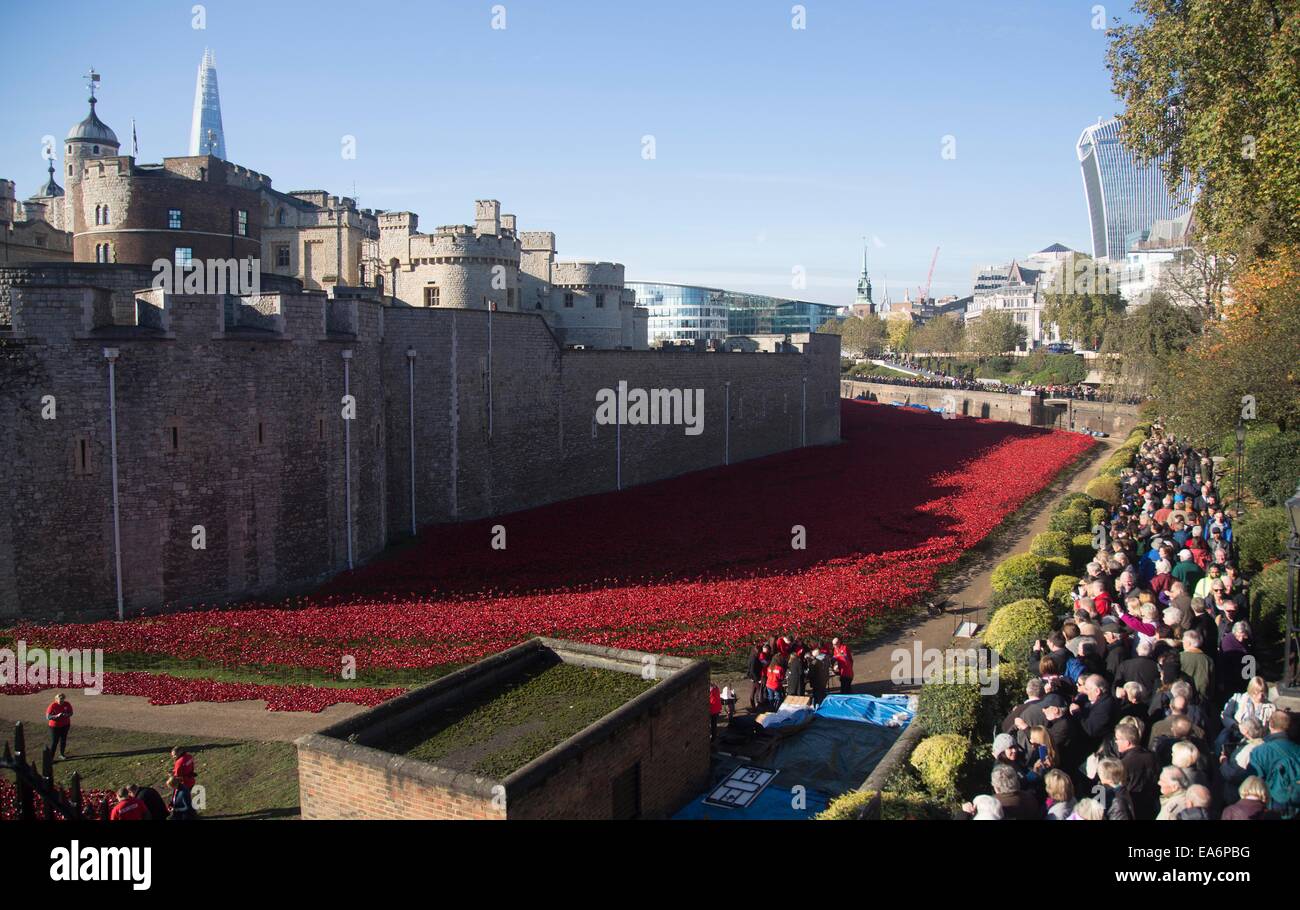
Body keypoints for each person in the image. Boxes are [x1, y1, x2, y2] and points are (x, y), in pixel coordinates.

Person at [1247, 710, 1300, 819]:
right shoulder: (1297, 749)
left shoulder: (1259, 751)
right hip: (1295, 807)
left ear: (1270, 724)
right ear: (1288, 727)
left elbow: (1253, 781)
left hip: (1270, 808)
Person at [45, 693, 73, 760]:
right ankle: (50, 758)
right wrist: (56, 716)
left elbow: (71, 713)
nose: (61, 702)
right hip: (54, 727)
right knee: (54, 742)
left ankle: (62, 754)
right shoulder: (52, 706)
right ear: (56, 699)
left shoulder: (67, 704)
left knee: (63, 740)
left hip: (65, 725)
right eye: (60, 700)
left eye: (63, 700)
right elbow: (48, 717)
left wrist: (66, 715)